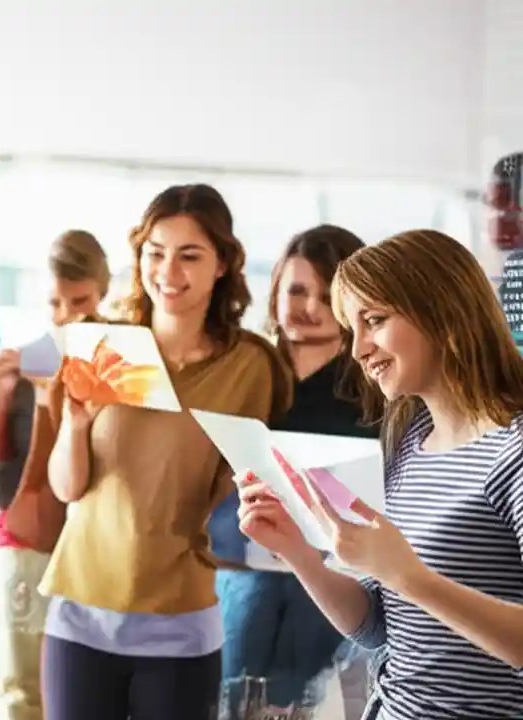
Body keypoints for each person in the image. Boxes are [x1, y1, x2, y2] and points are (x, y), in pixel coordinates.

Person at [238, 229, 523, 719]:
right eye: (354, 330)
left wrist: (407, 575)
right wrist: (297, 551)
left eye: (374, 321)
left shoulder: (513, 450)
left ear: (444, 312)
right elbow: (376, 627)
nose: (359, 350)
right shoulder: (409, 440)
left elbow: (408, 582)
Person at [40, 184, 293, 720]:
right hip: (80, 611)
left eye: (189, 255)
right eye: (155, 252)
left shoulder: (252, 367)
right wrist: (75, 420)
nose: (168, 271)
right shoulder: (102, 342)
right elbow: (67, 488)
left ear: (222, 263)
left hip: (179, 621)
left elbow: (238, 494)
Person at [210, 225, 383, 714]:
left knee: (305, 700)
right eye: (297, 290)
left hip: (334, 566)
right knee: (239, 699)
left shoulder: (372, 380)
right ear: (276, 289)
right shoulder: (246, 366)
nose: (309, 307)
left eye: (327, 296)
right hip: (245, 562)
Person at [0, 229, 109, 720]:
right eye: (54, 302)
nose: (65, 316)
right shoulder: (18, 360)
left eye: (80, 301)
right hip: (28, 546)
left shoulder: (117, 365)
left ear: (102, 294)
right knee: (20, 699)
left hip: (95, 551)